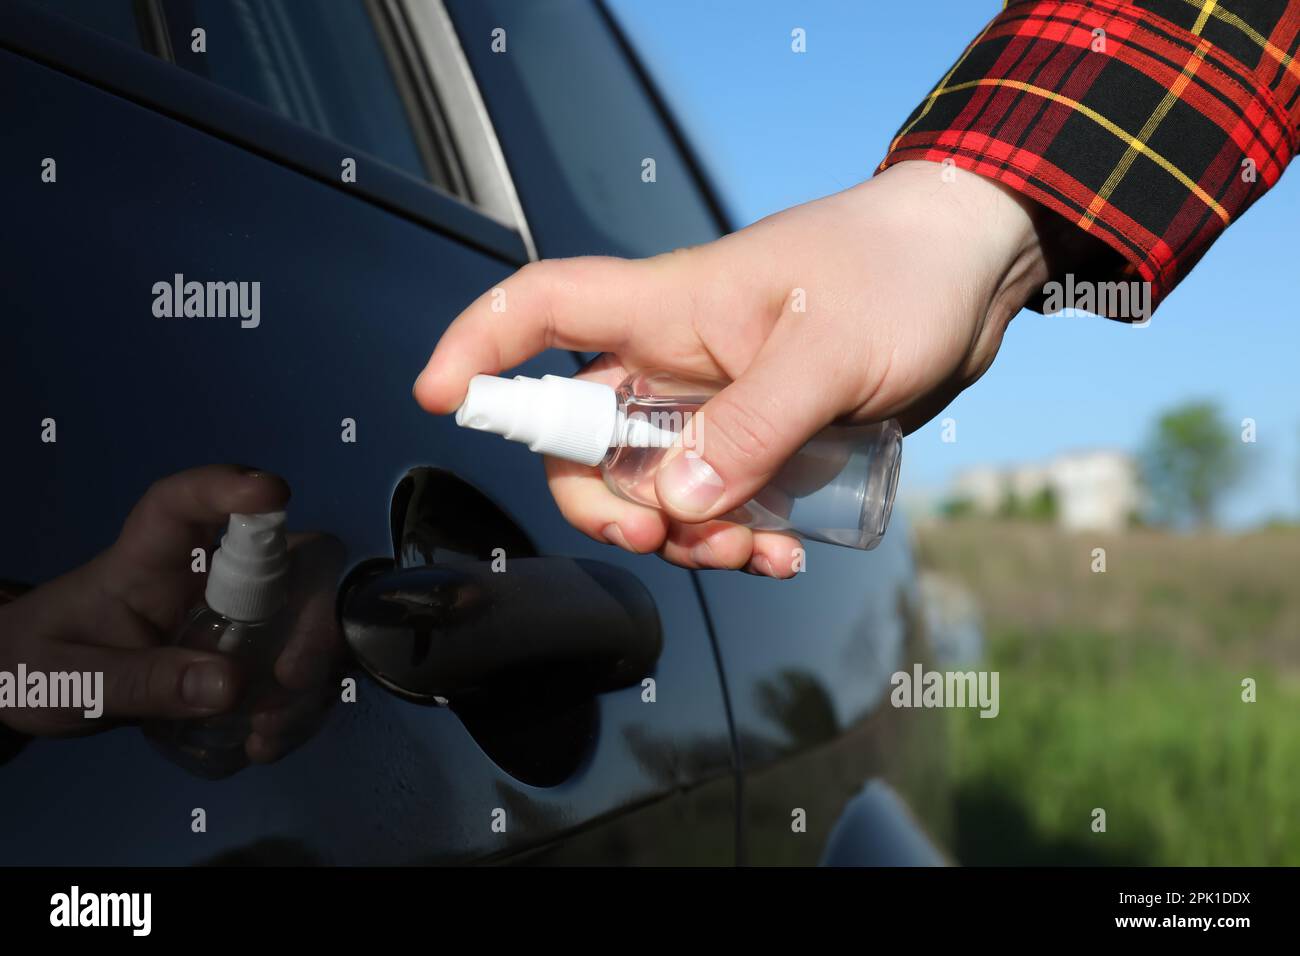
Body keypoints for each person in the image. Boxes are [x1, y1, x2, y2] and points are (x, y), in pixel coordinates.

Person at [414, 0, 1300, 578]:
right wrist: (966, 226)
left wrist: (947, 224)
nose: (710, 467)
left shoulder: (657, 427)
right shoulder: (646, 426)